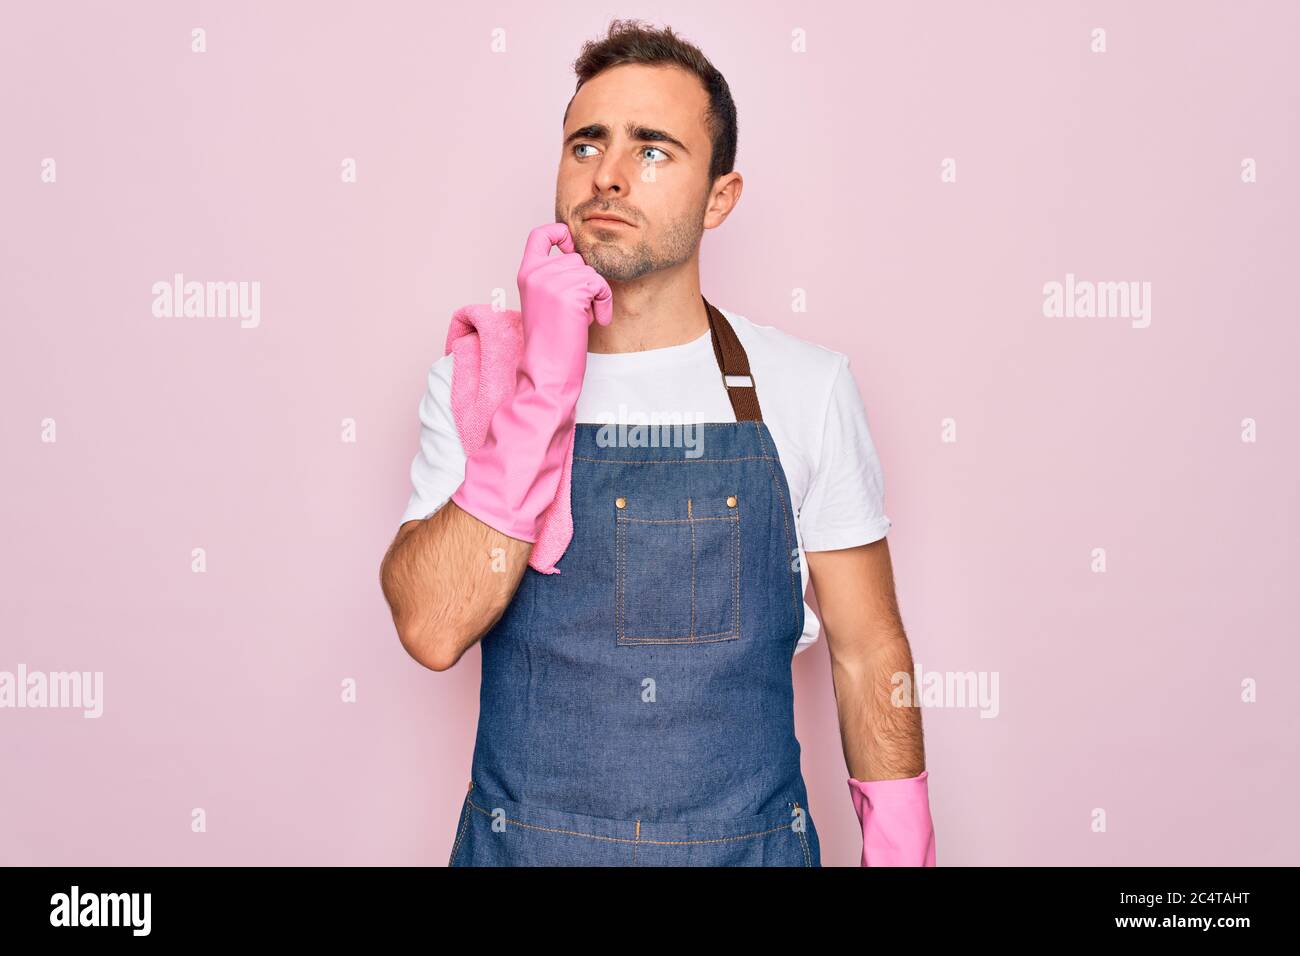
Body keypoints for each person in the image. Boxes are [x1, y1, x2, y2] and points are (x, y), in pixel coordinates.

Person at [379, 18, 935, 867]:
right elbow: (432, 627)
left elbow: (867, 653)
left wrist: (905, 856)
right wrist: (546, 389)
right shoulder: (478, 379)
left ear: (720, 197)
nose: (607, 175)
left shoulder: (805, 387)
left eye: (653, 150)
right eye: (586, 144)